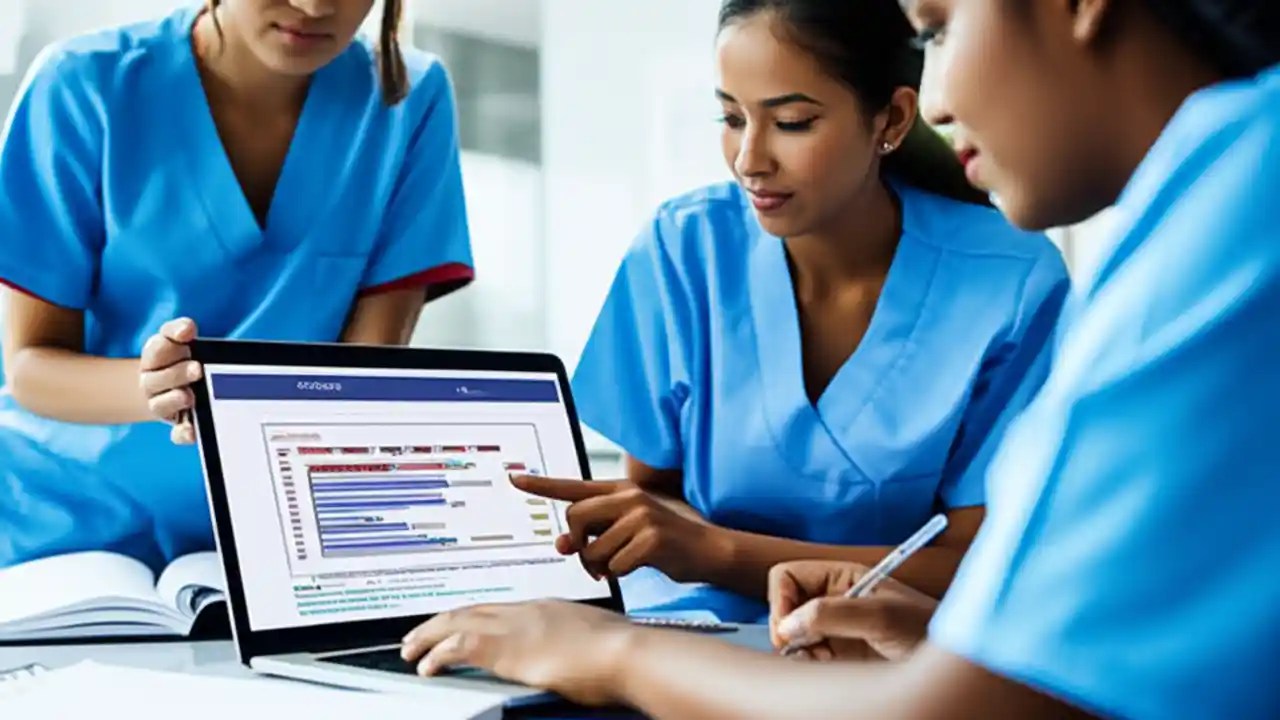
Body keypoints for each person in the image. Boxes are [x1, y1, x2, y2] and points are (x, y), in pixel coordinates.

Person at [401, 0, 1280, 717]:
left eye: (939, 28)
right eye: (731, 118)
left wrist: (611, 653)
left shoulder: (1235, 207)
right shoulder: (1219, 185)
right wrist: (932, 634)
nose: (939, 101)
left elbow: (989, 696)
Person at [511, 0, 1069, 623]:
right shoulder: (683, 246)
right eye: (729, 117)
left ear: (891, 117)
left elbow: (985, 562)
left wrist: (722, 553)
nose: (750, 158)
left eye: (793, 122)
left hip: (883, 646)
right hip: (686, 626)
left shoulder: (1011, 280)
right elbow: (655, 500)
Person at [0, 0, 473, 573]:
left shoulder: (409, 99)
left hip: (273, 540)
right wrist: (159, 388)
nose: (315, 5)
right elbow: (29, 368)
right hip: (58, 531)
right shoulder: (83, 83)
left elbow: (363, 379)